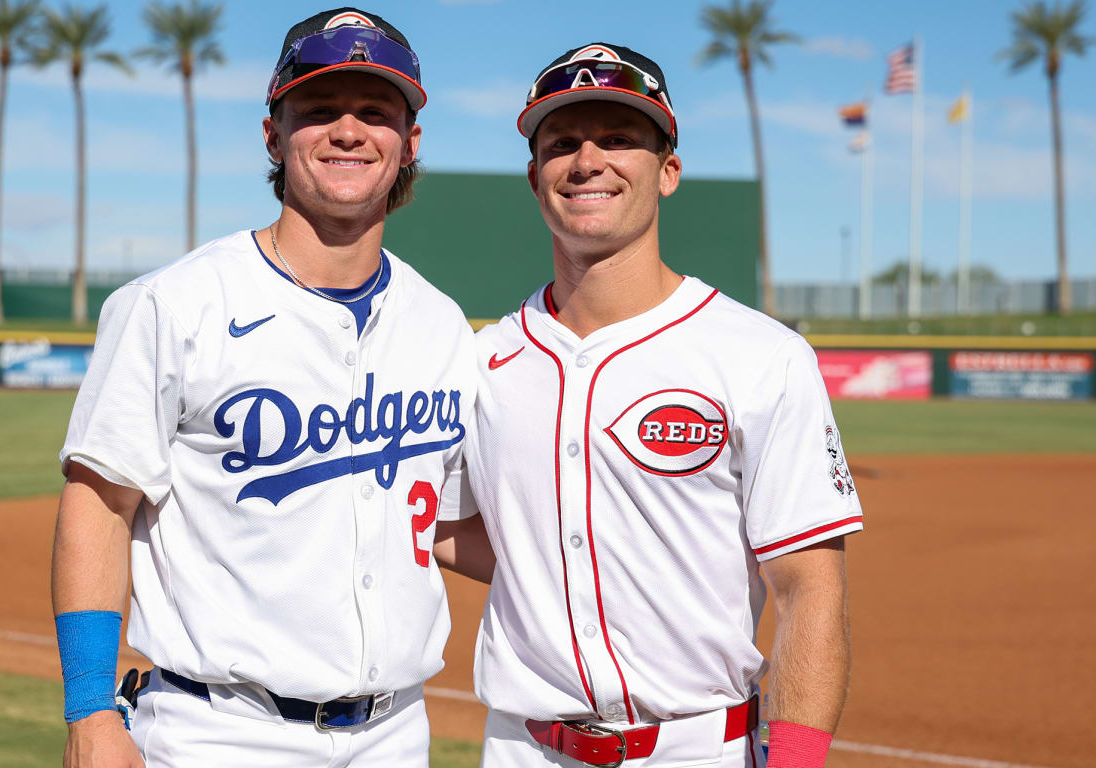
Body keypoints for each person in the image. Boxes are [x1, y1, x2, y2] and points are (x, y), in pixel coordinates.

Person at [50, 9, 475, 767]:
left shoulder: (440, 324)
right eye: (318, 111)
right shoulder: (173, 304)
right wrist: (89, 708)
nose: (348, 131)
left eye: (376, 112)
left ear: (409, 143)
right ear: (274, 135)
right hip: (220, 732)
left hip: (396, 735)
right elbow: (99, 502)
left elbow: (441, 523)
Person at [439, 43, 863, 768]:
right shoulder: (482, 360)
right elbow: (445, 524)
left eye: (620, 138)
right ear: (536, 179)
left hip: (701, 749)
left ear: (667, 171)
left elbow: (807, 589)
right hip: (523, 749)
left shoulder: (760, 354)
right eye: (562, 143)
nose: (587, 160)